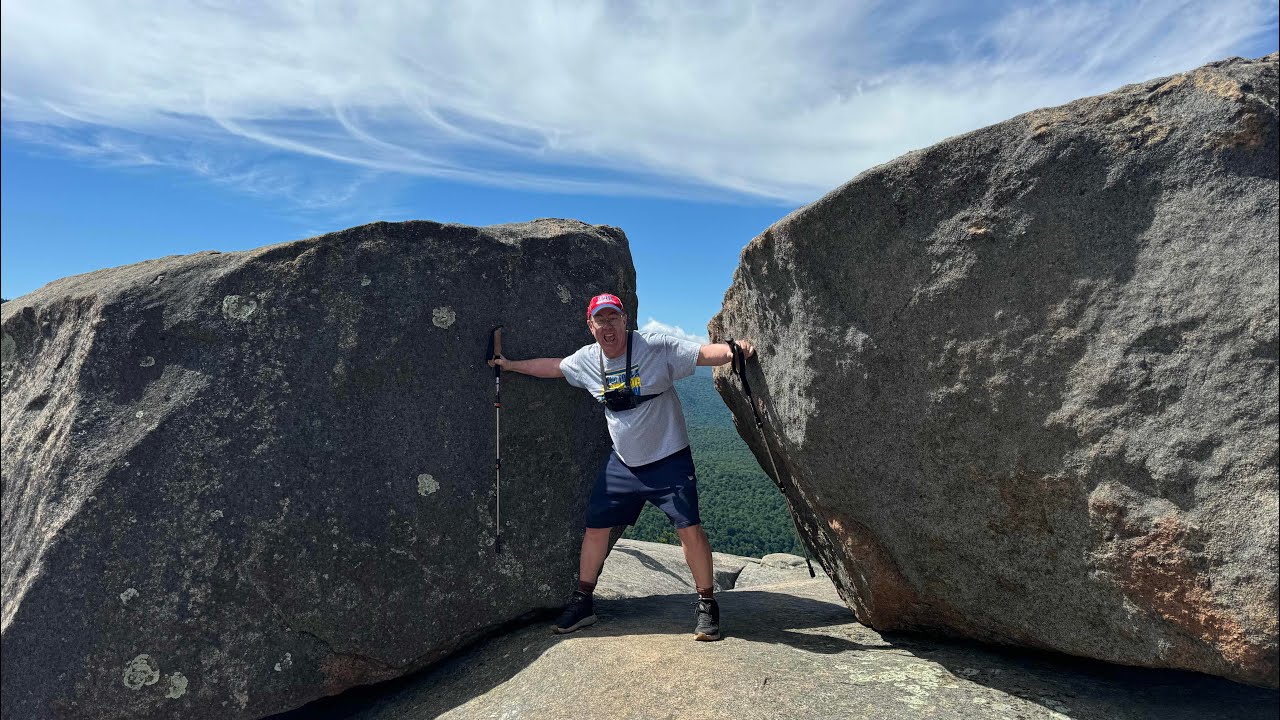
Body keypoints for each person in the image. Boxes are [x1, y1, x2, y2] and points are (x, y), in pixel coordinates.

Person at [488, 292, 752, 641]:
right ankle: (583, 602)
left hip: (669, 459)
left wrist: (735, 349)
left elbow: (702, 354)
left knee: (689, 530)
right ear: (591, 325)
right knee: (596, 527)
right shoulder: (587, 360)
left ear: (625, 320)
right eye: (601, 319)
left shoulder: (654, 347)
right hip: (623, 464)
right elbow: (553, 366)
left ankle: (706, 603)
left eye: (614, 317)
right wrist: (511, 365)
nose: (608, 326)